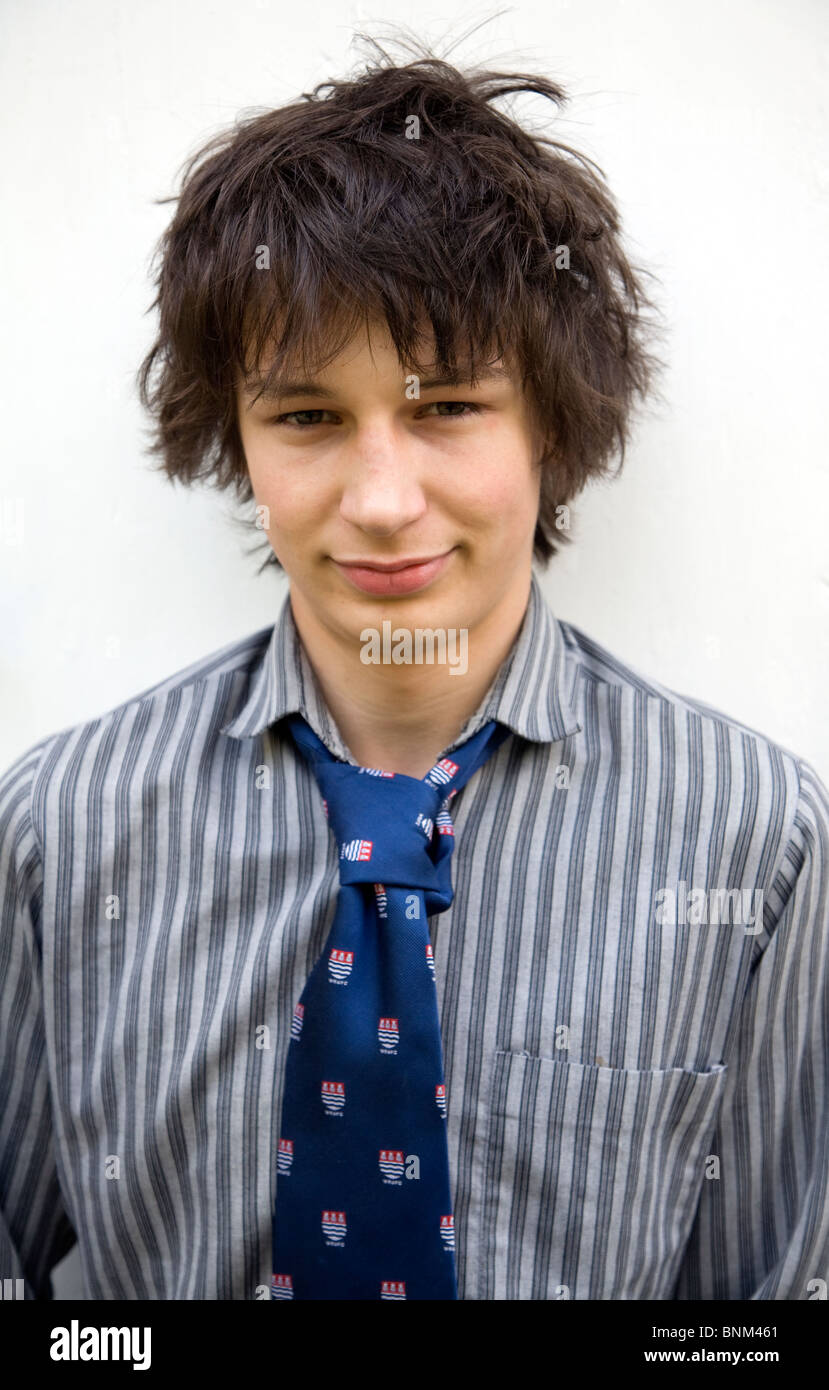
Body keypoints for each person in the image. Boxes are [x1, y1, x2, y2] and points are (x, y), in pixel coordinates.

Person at [1, 40, 827, 1302]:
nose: (384, 502)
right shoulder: (62, 829)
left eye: (446, 406)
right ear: (236, 436)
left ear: (553, 418)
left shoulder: (751, 839)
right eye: (308, 416)